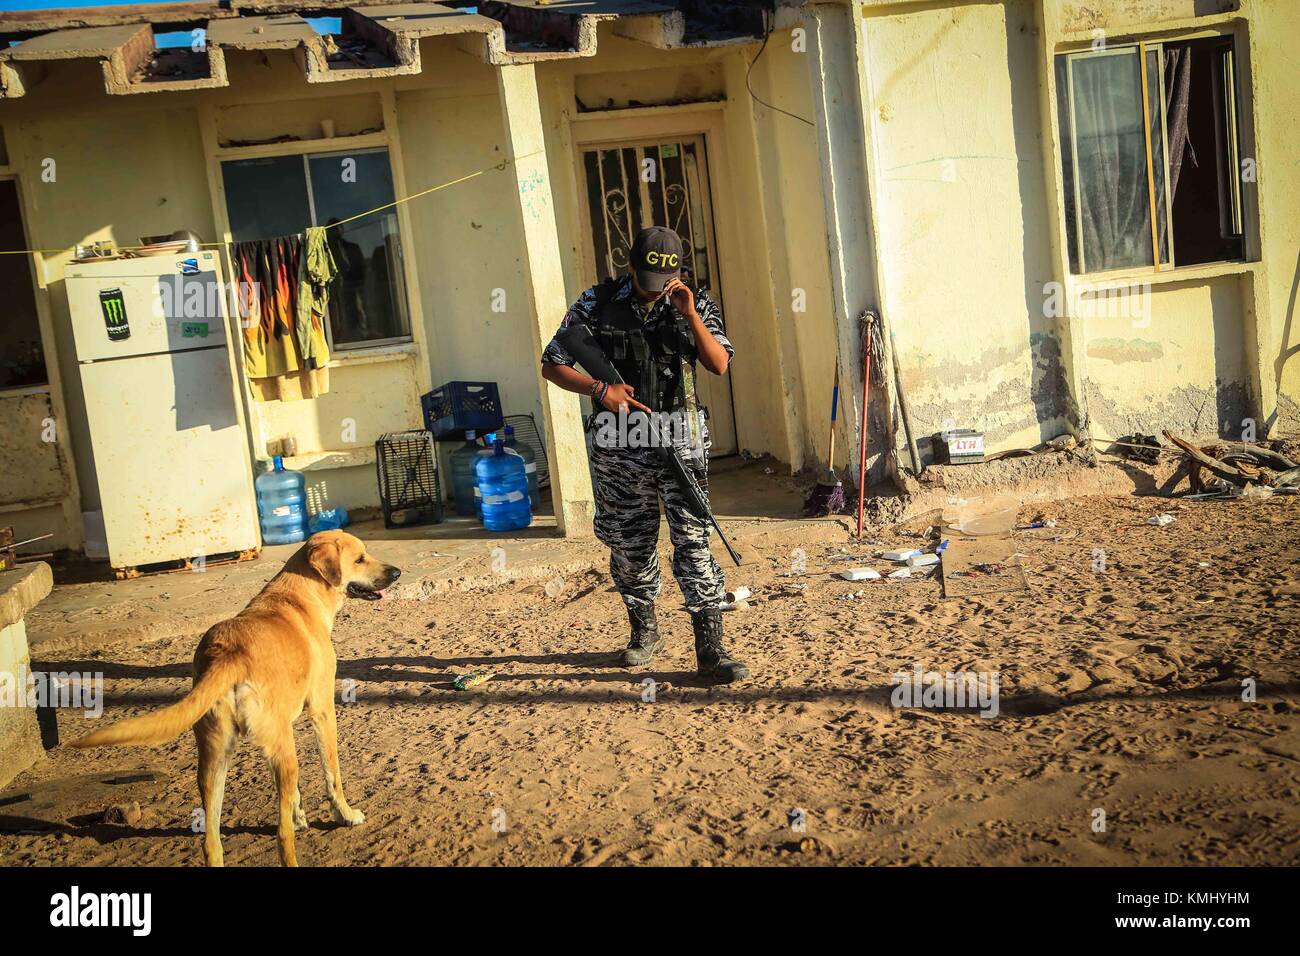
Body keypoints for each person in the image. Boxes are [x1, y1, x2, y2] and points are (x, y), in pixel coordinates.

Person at [540, 227, 750, 683]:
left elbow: (718, 363)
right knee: (630, 544)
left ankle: (711, 650)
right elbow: (552, 362)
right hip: (619, 441)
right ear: (629, 266)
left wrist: (690, 315)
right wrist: (600, 389)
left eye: (664, 281)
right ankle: (644, 631)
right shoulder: (595, 303)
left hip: (681, 437)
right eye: (645, 280)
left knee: (693, 542)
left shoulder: (694, 302)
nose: (654, 290)